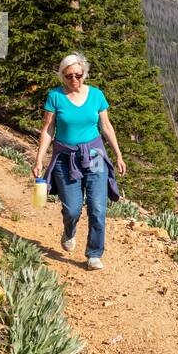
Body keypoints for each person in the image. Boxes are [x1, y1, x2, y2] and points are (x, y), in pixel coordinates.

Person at [32, 53, 126, 270]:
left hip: (94, 156)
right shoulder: (55, 96)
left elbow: (106, 126)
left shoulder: (96, 95)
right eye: (69, 76)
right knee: (73, 208)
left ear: (84, 73)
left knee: (97, 207)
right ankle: (69, 230)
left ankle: (94, 253)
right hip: (66, 158)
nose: (74, 79)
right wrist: (39, 159)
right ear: (62, 77)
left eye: (78, 75)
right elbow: (48, 129)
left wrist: (118, 155)